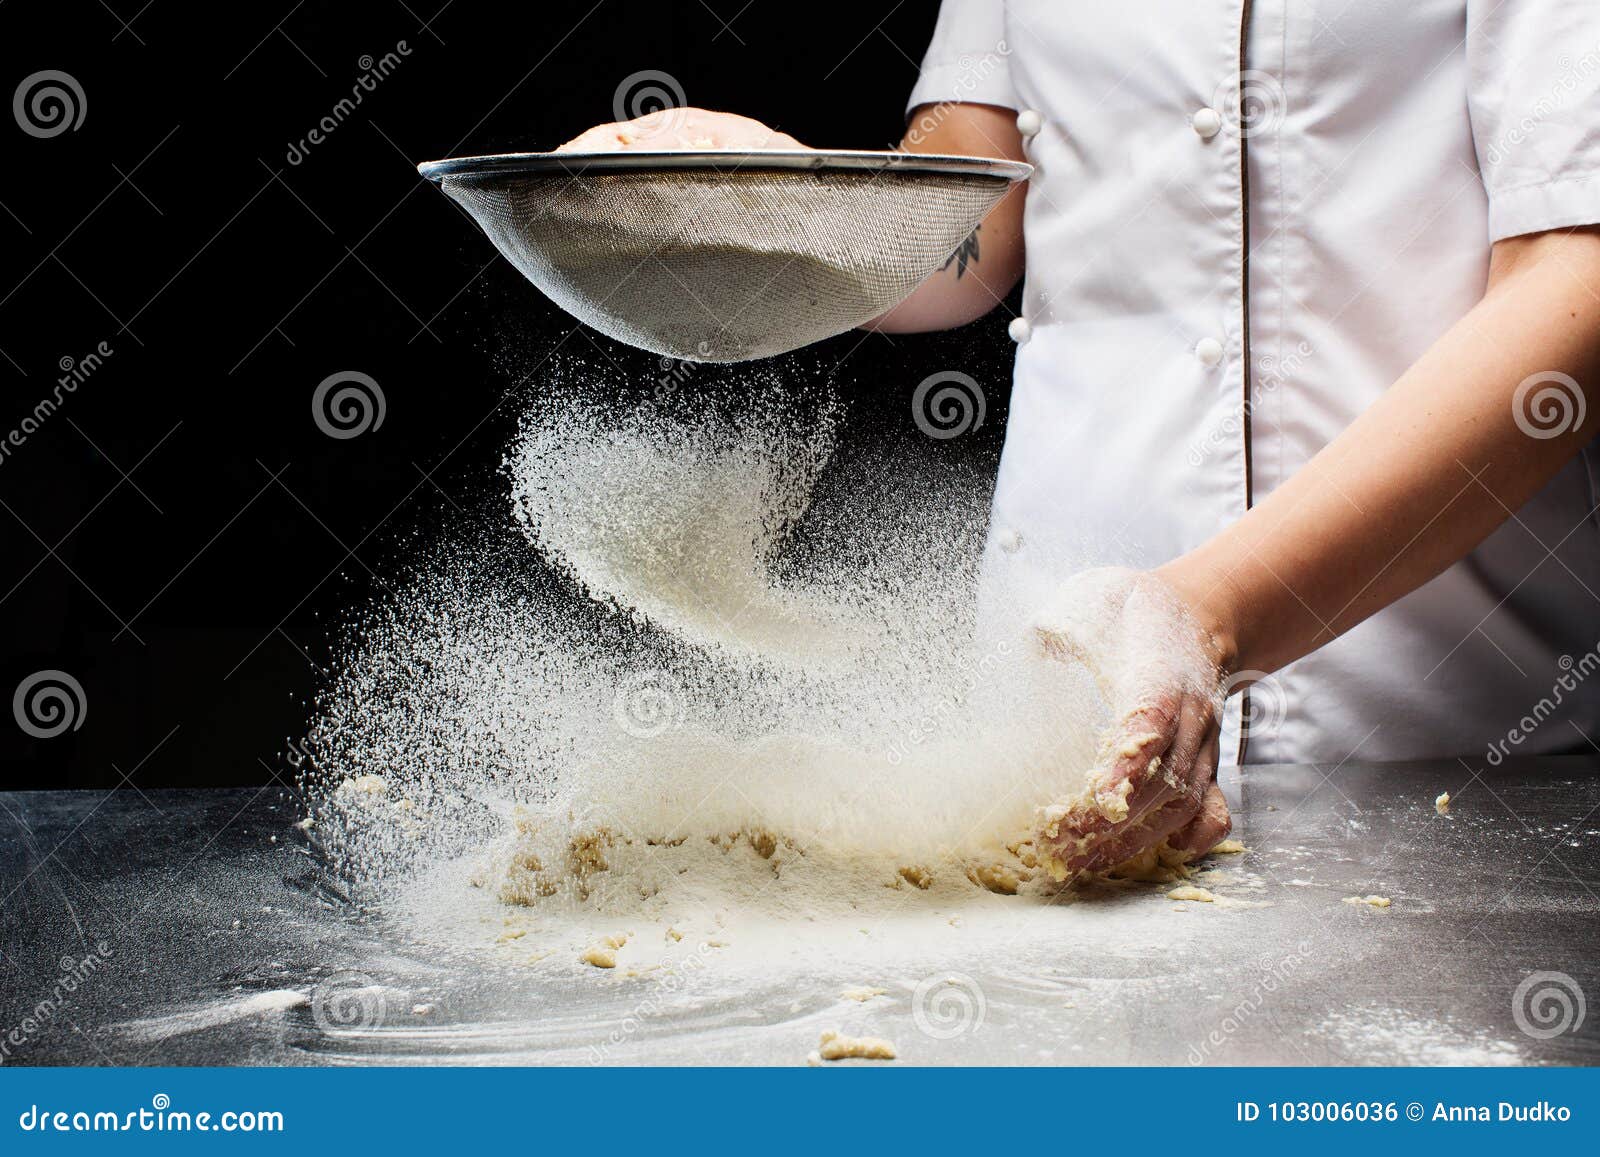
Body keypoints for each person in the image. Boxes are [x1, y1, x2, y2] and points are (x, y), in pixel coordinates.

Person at [562, 1, 1600, 874]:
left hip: (1441, 745)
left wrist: (1207, 612)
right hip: (1050, 726)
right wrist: (784, 202)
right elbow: (973, 229)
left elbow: (1575, 284)